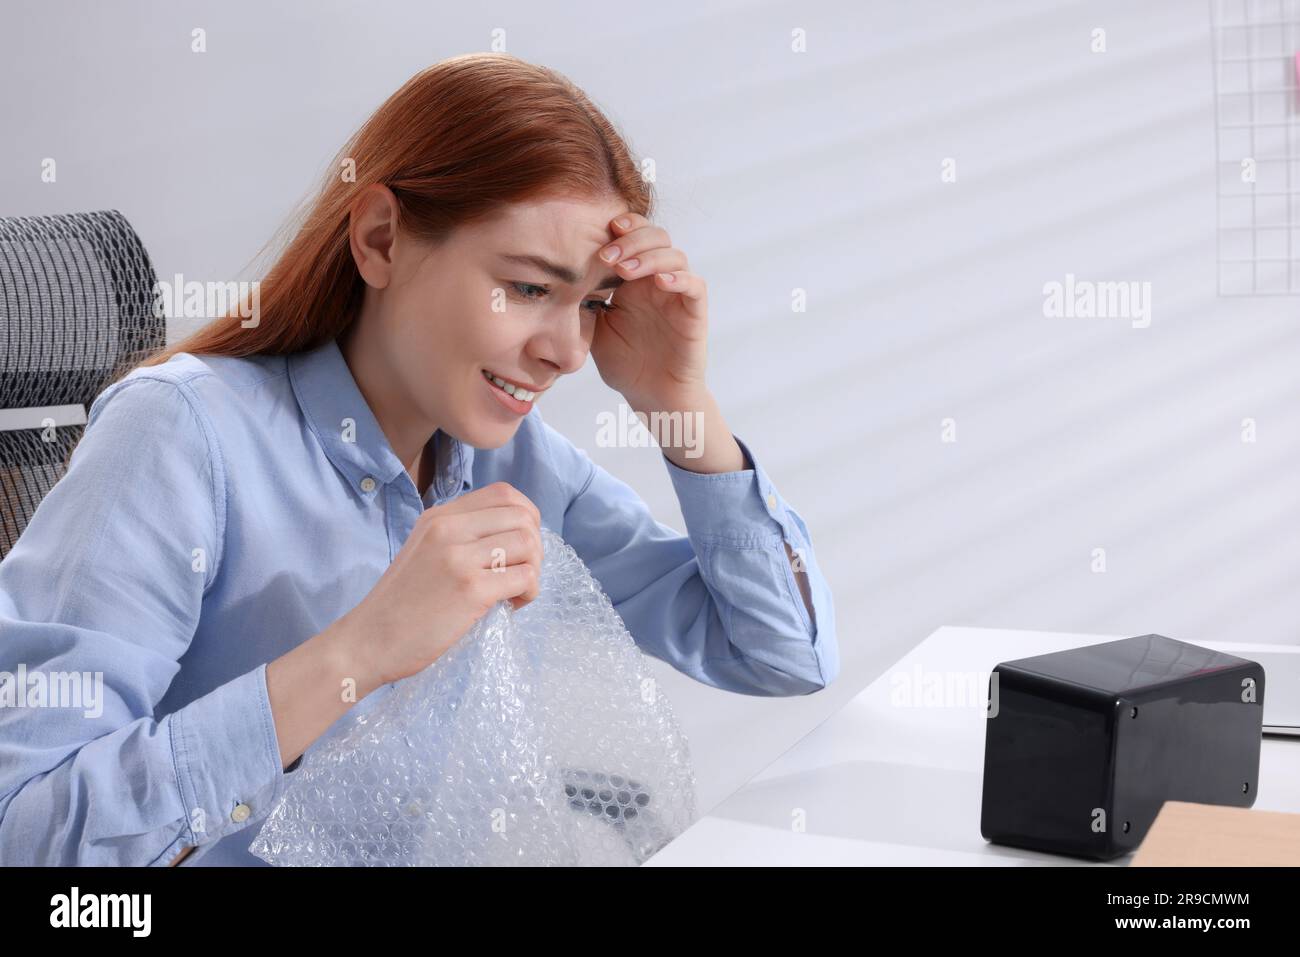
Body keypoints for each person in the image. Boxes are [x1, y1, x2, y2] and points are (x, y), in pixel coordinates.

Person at [0, 52, 839, 866]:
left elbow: (779, 653)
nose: (568, 352)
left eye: (593, 303)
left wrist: (677, 403)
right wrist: (356, 654)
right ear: (380, 239)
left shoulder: (512, 459)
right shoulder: (180, 433)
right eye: (529, 287)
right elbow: (27, 833)